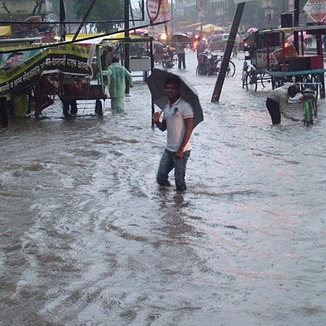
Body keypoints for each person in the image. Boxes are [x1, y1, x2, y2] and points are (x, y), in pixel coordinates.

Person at [152, 75, 194, 192]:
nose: (169, 91)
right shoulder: (166, 108)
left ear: (178, 90)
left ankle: (181, 204)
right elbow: (164, 128)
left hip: (182, 150)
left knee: (179, 181)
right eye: (167, 88)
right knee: (161, 177)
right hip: (169, 149)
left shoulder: (185, 106)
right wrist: (157, 122)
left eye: (172, 88)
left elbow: (189, 129)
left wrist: (180, 150)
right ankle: (167, 198)